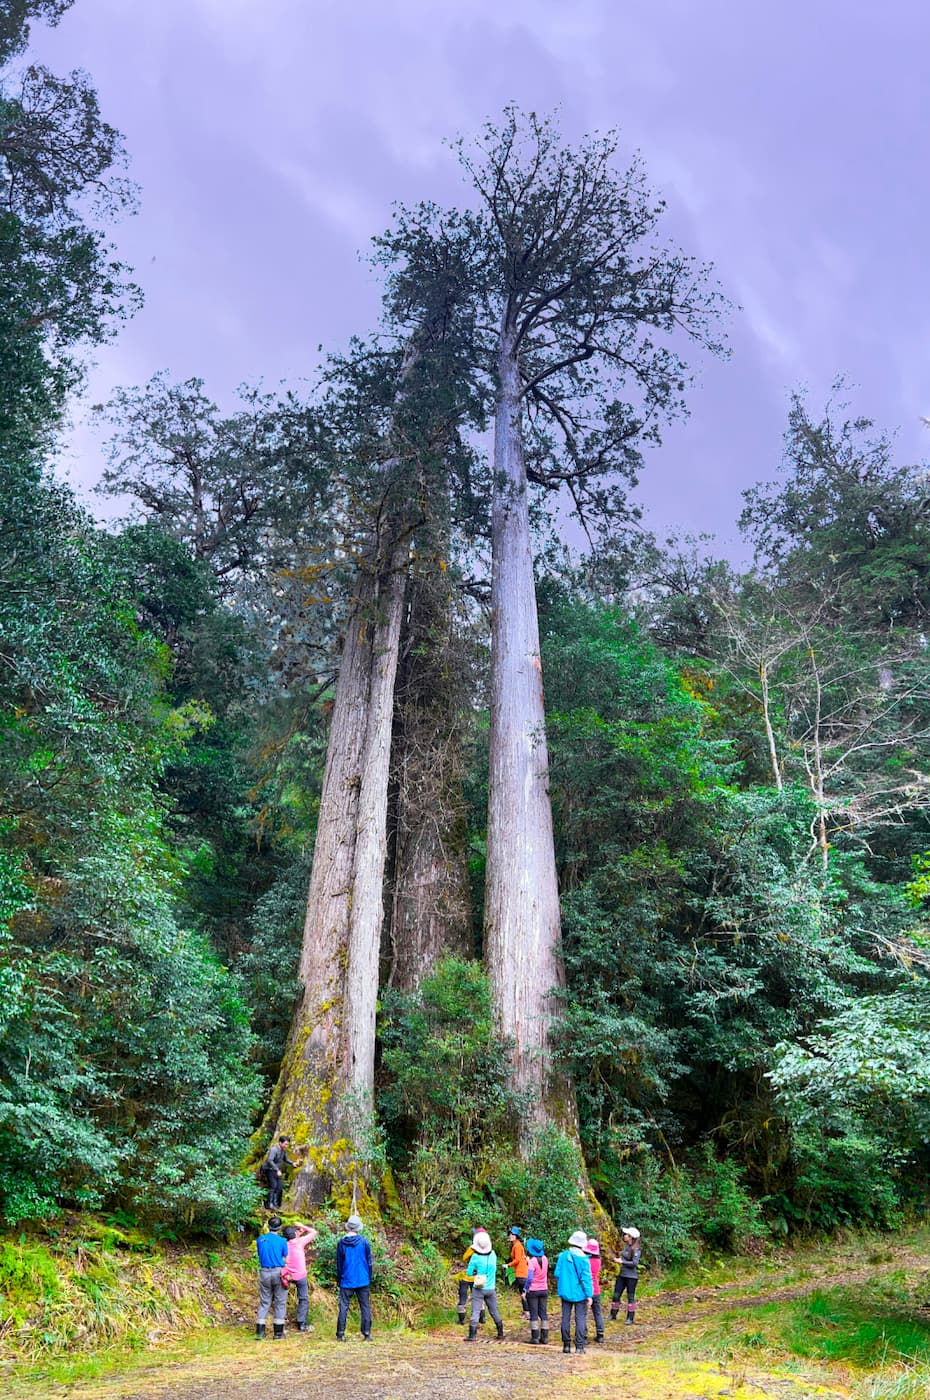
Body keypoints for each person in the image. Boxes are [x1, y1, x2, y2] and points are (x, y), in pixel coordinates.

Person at [554, 1229, 593, 1354]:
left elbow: (557, 1273)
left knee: (565, 1317)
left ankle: (566, 1345)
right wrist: (589, 1295)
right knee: (580, 1318)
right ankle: (579, 1347)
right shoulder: (584, 1259)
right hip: (580, 1293)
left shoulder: (563, 1256)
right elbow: (586, 1279)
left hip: (565, 1291)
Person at [335, 1214, 373, 1340]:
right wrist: (369, 1276)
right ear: (358, 1228)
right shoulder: (364, 1242)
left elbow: (339, 1263)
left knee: (344, 1307)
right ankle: (366, 1333)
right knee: (365, 1306)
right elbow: (369, 1262)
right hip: (363, 1278)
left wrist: (340, 1277)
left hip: (347, 1278)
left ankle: (340, 1334)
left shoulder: (342, 1243)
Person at [464, 1229, 504, 1342]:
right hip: (491, 1288)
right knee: (494, 1311)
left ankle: (472, 1335)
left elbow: (469, 1273)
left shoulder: (475, 1257)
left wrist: (476, 1271)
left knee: (475, 1311)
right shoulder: (493, 1255)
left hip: (479, 1288)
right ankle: (500, 1333)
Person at [255, 1215, 289, 1340]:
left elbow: (260, 1254)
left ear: (268, 1227)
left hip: (264, 1272)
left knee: (264, 1301)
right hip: (278, 1272)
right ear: (279, 1228)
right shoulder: (282, 1241)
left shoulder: (260, 1240)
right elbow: (286, 1259)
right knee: (280, 1302)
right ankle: (278, 1333)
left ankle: (260, 1332)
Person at [282, 1221, 318, 1332]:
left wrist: (297, 1233)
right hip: (300, 1275)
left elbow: (291, 1238)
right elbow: (314, 1232)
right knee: (303, 1298)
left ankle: (280, 1322)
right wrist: (302, 1226)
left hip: (287, 1275)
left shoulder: (283, 1245)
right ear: (295, 1235)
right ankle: (301, 1324)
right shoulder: (300, 1242)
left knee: (281, 1298)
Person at [609, 1226, 641, 1325]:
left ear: (631, 1237)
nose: (624, 1236)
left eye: (626, 1235)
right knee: (616, 1295)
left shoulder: (636, 1250)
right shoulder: (626, 1247)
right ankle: (613, 1314)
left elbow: (634, 1263)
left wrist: (622, 1261)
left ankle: (630, 1318)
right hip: (622, 1275)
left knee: (630, 1297)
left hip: (631, 1277)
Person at [454, 1228, 486, 1326]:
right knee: (478, 1297)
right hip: (479, 1277)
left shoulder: (472, 1248)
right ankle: (482, 1318)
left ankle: (461, 1320)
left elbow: (464, 1258)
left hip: (467, 1276)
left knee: (463, 1297)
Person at [523, 1237, 549, 1345]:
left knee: (534, 1314)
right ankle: (545, 1337)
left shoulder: (532, 1261)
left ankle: (535, 1337)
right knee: (543, 1313)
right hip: (544, 1289)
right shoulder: (545, 1259)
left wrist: (525, 1290)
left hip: (533, 1290)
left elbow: (529, 1278)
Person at [263, 1135, 296, 1210]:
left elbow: (286, 1159)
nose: (286, 1146)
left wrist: (292, 1163)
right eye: (285, 1144)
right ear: (280, 1143)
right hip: (270, 1170)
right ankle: (269, 1204)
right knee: (273, 1186)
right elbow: (269, 1160)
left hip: (277, 1171)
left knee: (280, 1187)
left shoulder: (283, 1151)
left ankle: (276, 1204)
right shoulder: (274, 1150)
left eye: (287, 1144)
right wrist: (277, 1170)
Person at [585, 1237, 604, 1343]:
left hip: (586, 1289)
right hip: (596, 1289)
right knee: (597, 1312)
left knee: (583, 1313)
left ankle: (583, 1334)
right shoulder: (598, 1261)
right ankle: (600, 1334)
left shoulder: (585, 1260)